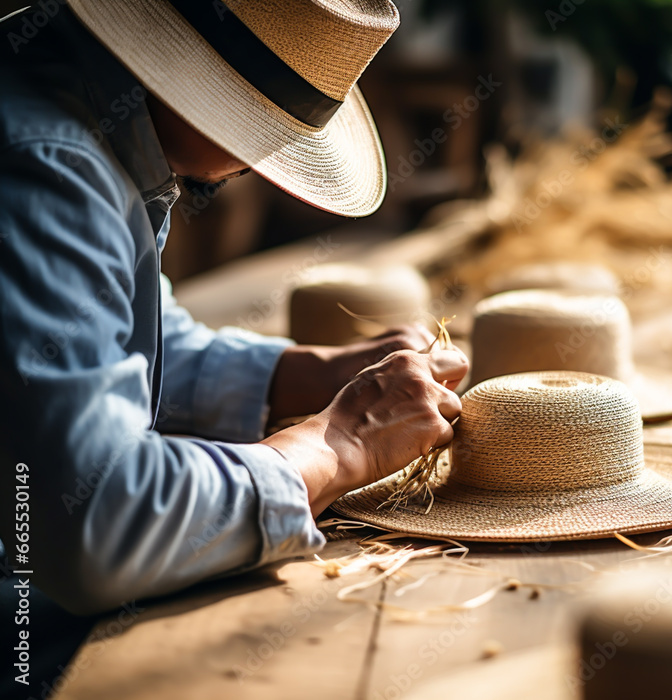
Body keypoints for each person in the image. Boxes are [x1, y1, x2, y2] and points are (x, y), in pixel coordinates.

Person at [0, 1, 465, 688]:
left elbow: (112, 347)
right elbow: (94, 522)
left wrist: (303, 373)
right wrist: (338, 445)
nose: (273, 156)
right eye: (268, 121)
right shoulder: (51, 164)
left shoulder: (82, 109)